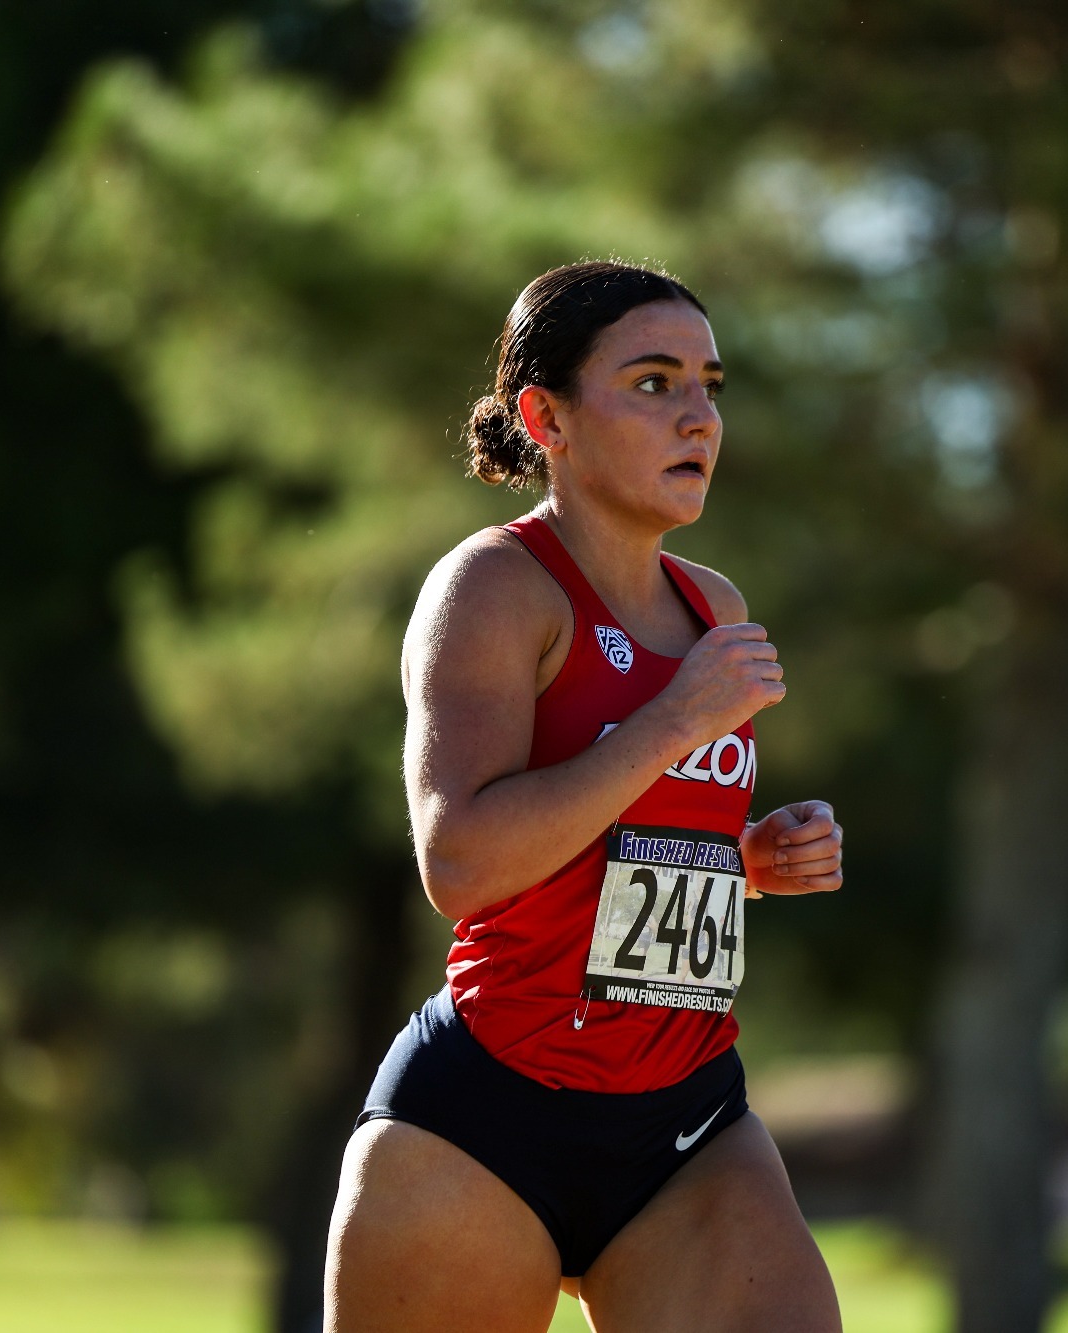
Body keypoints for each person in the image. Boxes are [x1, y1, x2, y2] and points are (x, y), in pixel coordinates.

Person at [324, 261, 846, 1332]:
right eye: (652, 383)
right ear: (543, 416)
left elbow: (624, 850)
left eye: (708, 383)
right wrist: (670, 723)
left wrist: (746, 858)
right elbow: (459, 863)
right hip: (486, 1119)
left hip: (686, 1119)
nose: (696, 414)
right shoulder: (494, 588)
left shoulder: (713, 605)